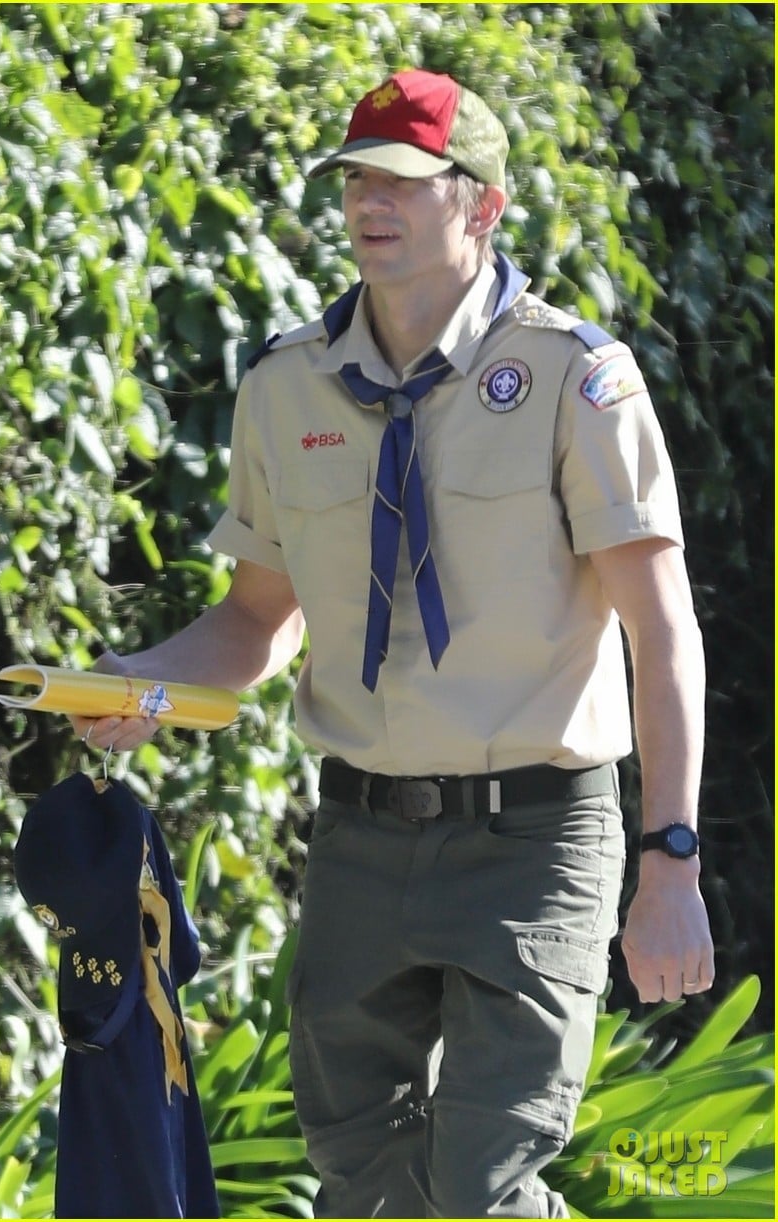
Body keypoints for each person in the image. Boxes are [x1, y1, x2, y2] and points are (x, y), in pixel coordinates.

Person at [71, 69, 715, 1218]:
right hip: (360, 836)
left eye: (408, 181)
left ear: (483, 205)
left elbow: (662, 630)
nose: (373, 200)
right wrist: (141, 685)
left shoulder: (576, 378)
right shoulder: (284, 385)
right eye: (359, 177)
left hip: (538, 838)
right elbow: (255, 620)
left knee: (485, 1181)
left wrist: (670, 855)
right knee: (361, 1181)